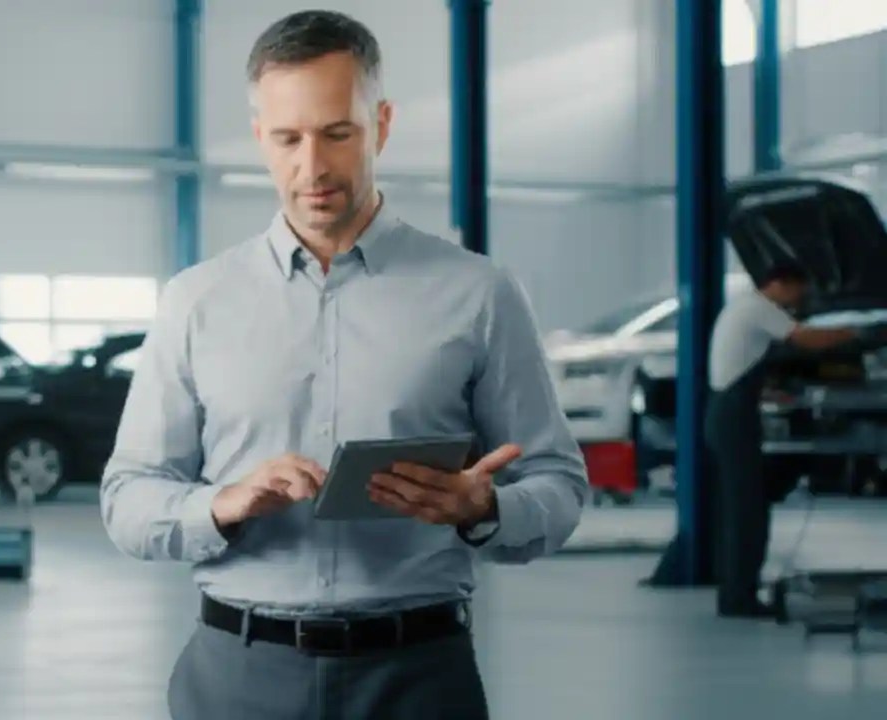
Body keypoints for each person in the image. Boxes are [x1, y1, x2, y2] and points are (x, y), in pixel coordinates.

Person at [100, 10, 587, 718]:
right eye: (287, 138)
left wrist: (486, 508)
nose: (313, 167)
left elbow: (560, 486)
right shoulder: (196, 301)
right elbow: (126, 499)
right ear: (259, 135)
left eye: (337, 133)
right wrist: (221, 503)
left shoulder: (478, 293)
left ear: (381, 125)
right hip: (235, 678)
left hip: (418, 679)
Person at [706, 262, 864, 617]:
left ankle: (737, 592)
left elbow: (746, 364)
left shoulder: (743, 308)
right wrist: (856, 333)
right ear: (779, 284)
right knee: (746, 512)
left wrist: (773, 393)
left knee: (744, 507)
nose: (798, 301)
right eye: (798, 292)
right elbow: (808, 339)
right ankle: (739, 599)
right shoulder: (759, 309)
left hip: (727, 413)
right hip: (732, 419)